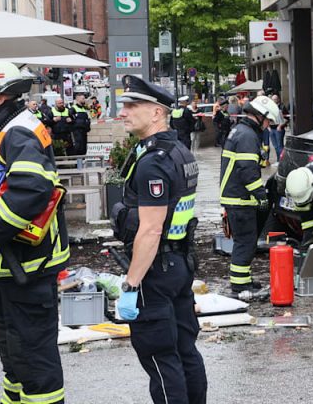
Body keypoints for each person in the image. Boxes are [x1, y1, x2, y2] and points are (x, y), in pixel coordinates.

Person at [0, 61, 69, 404]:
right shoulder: (8, 129)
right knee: (14, 349)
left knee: (34, 358)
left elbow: (33, 187)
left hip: (28, 266)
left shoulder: (19, 131)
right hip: (14, 269)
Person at [113, 76, 207, 404]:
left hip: (156, 272)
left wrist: (130, 285)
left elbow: (151, 230)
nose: (123, 112)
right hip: (179, 263)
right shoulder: (178, 150)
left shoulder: (154, 161)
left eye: (131, 106)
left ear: (156, 113)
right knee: (185, 352)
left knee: (160, 357)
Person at [219, 94, 283, 293]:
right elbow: (247, 170)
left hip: (235, 196)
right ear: (260, 116)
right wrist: (261, 196)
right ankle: (239, 285)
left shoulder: (240, 130)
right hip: (240, 198)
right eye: (268, 121)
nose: (268, 125)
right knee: (246, 241)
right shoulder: (247, 135)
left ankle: (243, 278)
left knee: (245, 240)